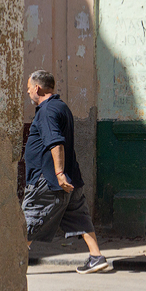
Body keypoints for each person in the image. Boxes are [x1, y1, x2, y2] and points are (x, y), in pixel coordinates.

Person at [22, 70, 109, 274]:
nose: (28, 92)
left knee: (30, 218)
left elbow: (56, 142)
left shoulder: (46, 111)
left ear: (37, 88)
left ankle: (12, 262)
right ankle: (96, 256)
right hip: (70, 178)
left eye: (28, 88)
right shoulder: (61, 107)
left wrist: (59, 174)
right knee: (79, 216)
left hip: (49, 180)